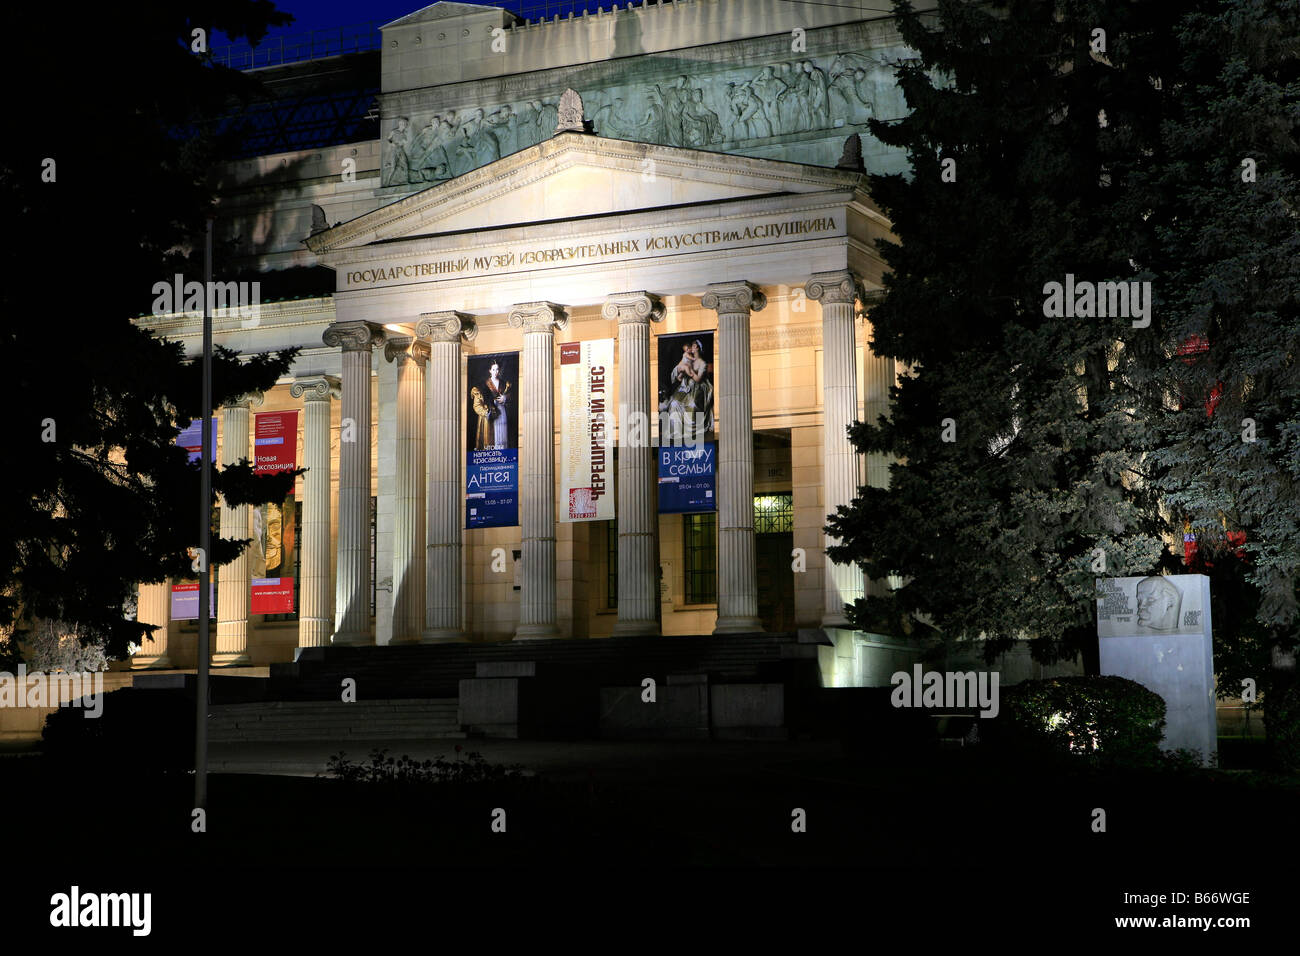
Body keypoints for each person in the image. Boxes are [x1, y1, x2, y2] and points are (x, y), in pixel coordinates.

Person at [659, 339, 712, 444]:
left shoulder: (702, 363)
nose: (691, 348)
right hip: (684, 386)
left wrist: (690, 371)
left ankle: (691, 433)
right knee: (674, 403)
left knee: (692, 404)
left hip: (698, 388)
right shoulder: (687, 358)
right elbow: (677, 375)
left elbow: (698, 379)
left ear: (698, 348)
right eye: (691, 346)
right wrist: (681, 370)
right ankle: (676, 433)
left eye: (693, 346)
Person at [471, 361, 512, 450]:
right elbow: (477, 405)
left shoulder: (504, 384)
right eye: (493, 369)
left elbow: (510, 398)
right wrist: (486, 413)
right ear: (490, 370)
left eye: (497, 369)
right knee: (489, 440)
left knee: (502, 438)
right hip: (488, 415)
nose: (495, 372)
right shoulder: (483, 385)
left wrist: (505, 398)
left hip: (502, 413)